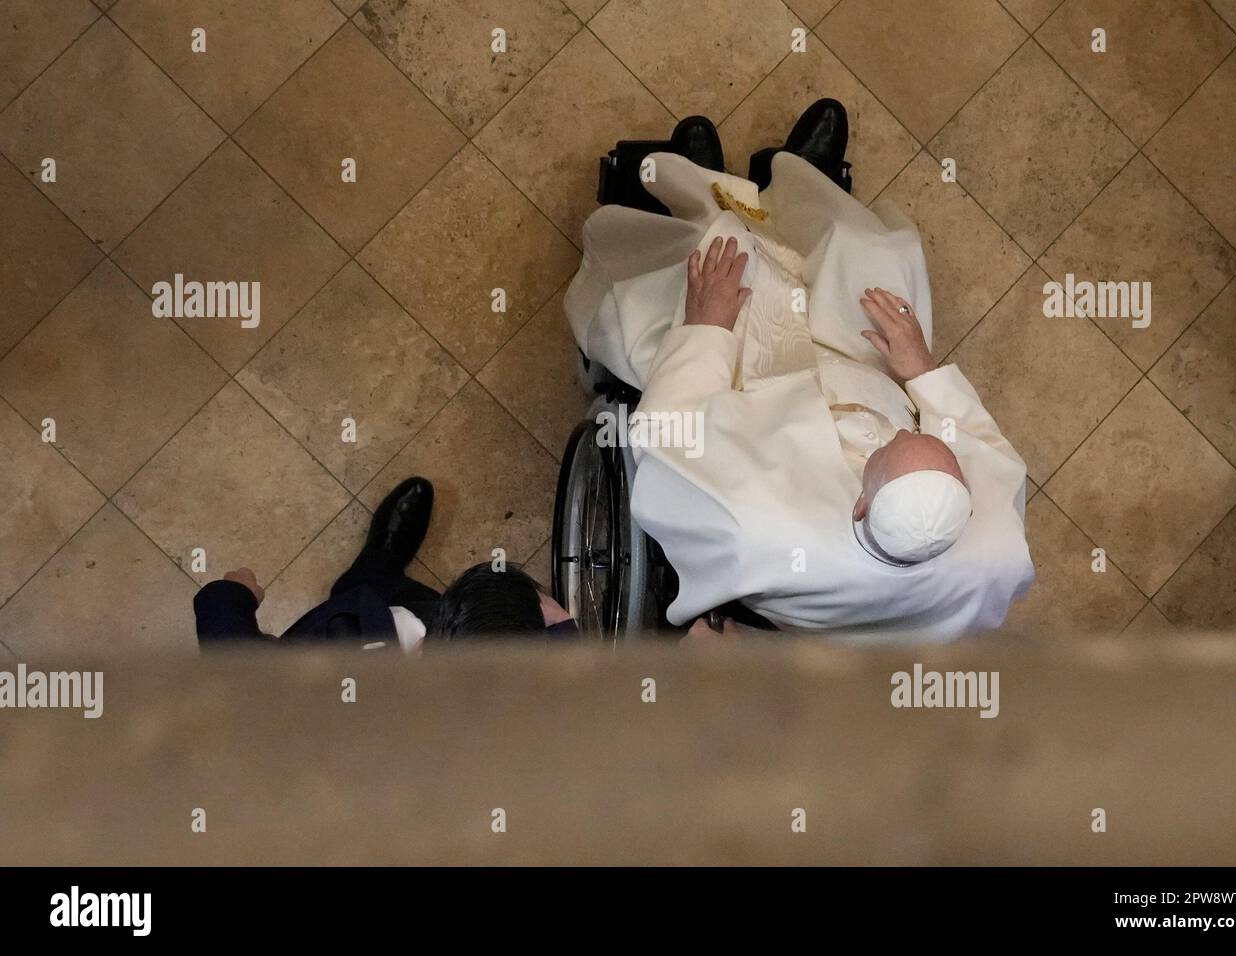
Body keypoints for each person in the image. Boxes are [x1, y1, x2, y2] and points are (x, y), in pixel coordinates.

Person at [565, 101, 1034, 640]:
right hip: (864, 379)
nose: (909, 428)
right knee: (873, 258)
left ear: (860, 505)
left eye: (890, 447)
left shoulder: (756, 530)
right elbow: (981, 443)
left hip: (753, 400)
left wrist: (706, 328)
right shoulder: (998, 552)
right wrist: (921, 371)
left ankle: (699, 192)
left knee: (720, 259)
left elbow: (668, 436)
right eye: (921, 436)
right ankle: (801, 180)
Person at [194, 477, 575, 650]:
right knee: (387, 586)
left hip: (350, 626)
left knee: (366, 591)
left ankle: (373, 570)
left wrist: (232, 593)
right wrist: (563, 637)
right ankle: (378, 565)